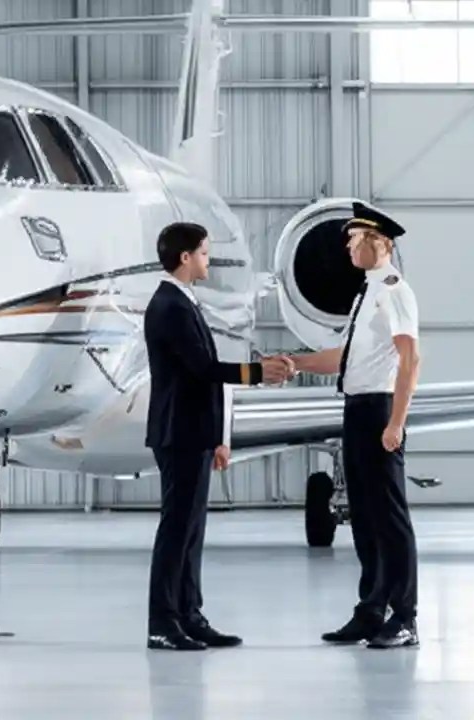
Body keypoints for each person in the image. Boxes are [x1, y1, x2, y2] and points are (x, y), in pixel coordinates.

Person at [143, 221, 293, 651]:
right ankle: (163, 621)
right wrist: (258, 374)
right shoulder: (169, 305)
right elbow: (203, 370)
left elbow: (203, 379)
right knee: (177, 531)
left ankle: (189, 614)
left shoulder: (183, 301)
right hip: (179, 432)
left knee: (191, 531)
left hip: (192, 432)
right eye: (205, 253)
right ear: (186, 257)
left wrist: (218, 436)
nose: (209, 260)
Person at [287, 201, 421, 649]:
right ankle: (370, 611)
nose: (346, 246)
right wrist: (293, 362)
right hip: (357, 408)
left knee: (391, 520)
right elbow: (341, 360)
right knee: (364, 518)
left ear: (378, 242)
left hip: (380, 409)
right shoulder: (366, 294)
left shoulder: (394, 291)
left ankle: (405, 618)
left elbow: (410, 360)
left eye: (354, 239)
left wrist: (396, 423)